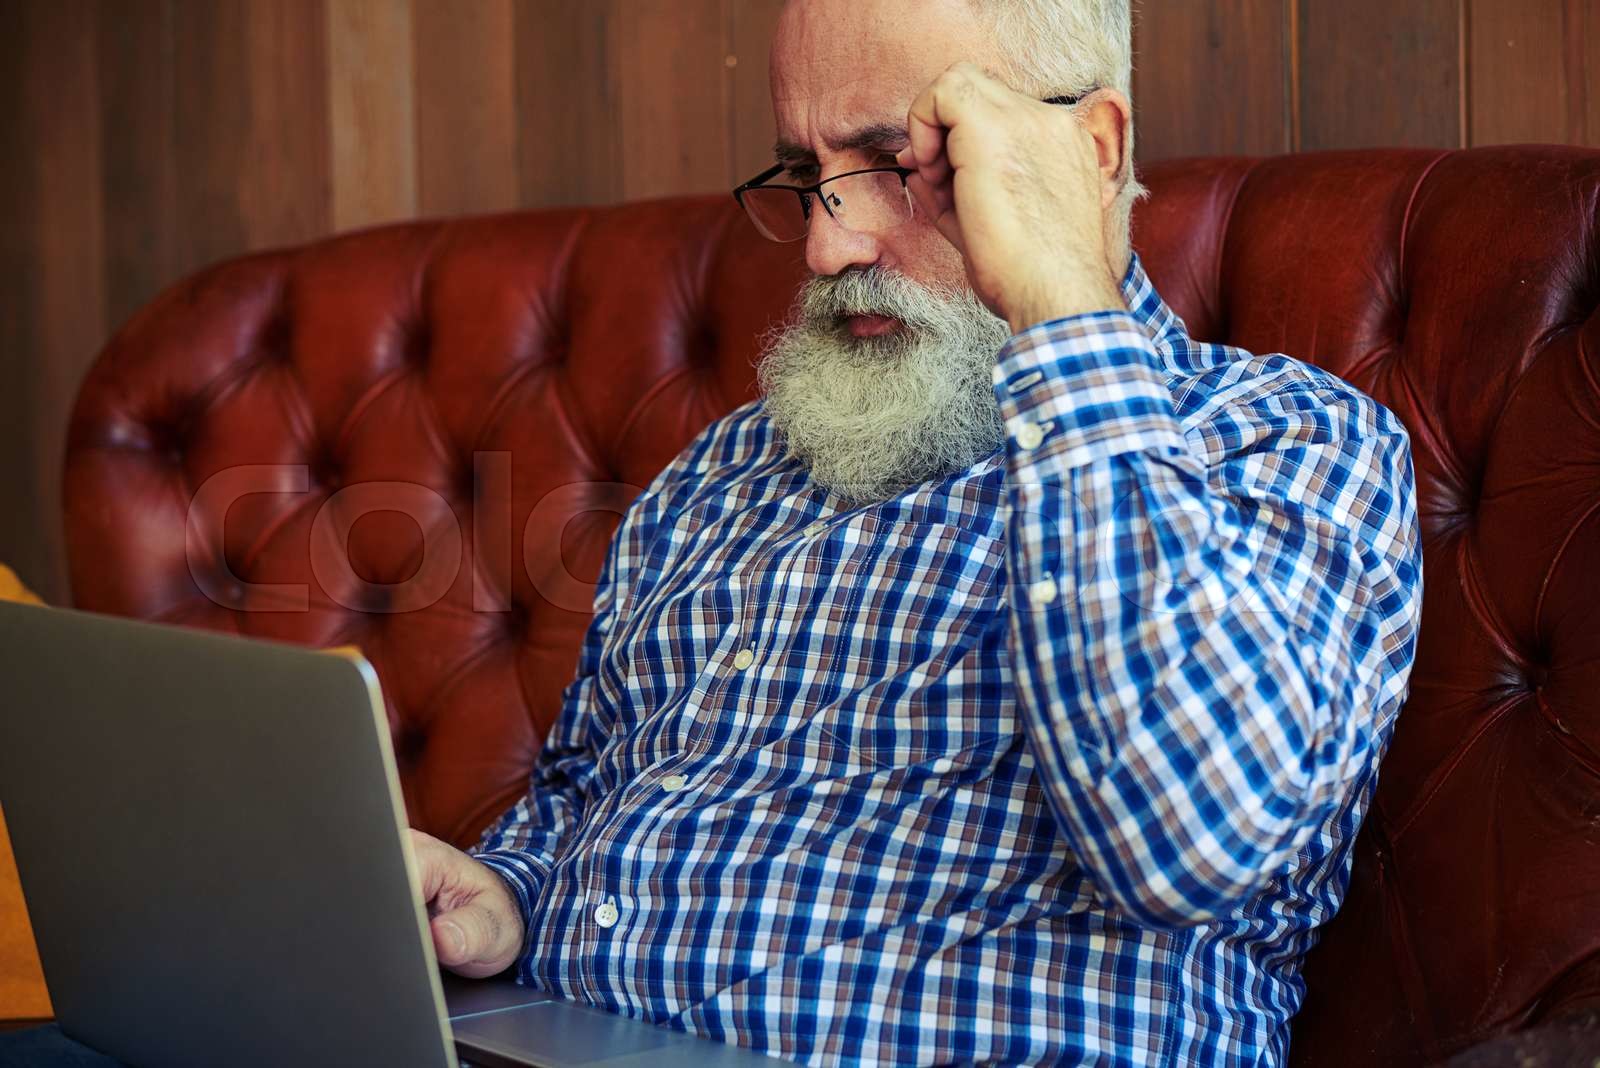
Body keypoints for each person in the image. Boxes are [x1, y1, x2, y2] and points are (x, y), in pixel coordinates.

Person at [3, 0, 1421, 1064]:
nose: (828, 245)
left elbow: (1191, 841)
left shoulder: (1284, 444)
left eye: (906, 165)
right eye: (808, 174)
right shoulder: (731, 472)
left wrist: (1061, 307)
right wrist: (505, 896)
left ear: (1088, 152)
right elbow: (592, 800)